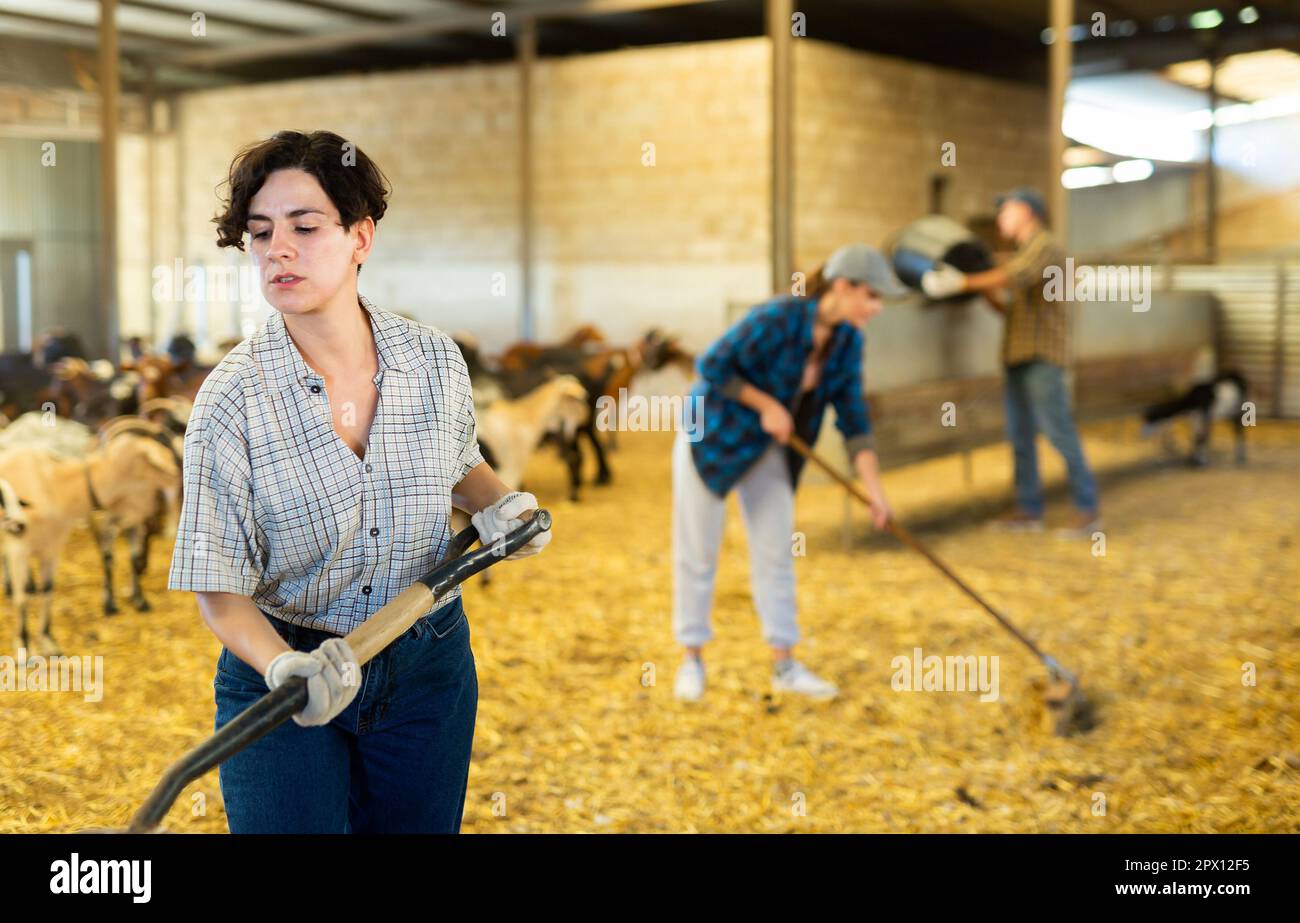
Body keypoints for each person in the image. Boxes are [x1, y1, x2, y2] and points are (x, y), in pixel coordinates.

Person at [166, 130, 550, 833]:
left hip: (427, 665)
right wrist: (284, 667)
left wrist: (501, 507)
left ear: (360, 237)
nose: (278, 248)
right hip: (285, 679)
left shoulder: (434, 360)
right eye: (260, 233)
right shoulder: (230, 401)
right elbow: (218, 587)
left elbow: (456, 461)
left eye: (305, 226)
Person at [672, 244, 904, 702]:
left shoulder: (848, 343)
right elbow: (712, 364)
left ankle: (785, 664)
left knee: (777, 553)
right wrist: (766, 404)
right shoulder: (778, 317)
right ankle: (691, 660)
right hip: (711, 438)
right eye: (872, 297)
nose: (876, 309)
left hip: (767, 449)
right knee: (699, 551)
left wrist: (875, 492)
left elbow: (854, 419)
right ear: (843, 287)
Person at [921, 188, 1100, 536]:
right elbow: (1010, 308)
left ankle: (1087, 508)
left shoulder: (1045, 247)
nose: (1001, 218)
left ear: (1027, 212)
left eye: (1007, 211)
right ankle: (1028, 510)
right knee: (1020, 435)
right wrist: (979, 288)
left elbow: (1013, 276)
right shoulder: (1024, 255)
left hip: (1042, 358)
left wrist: (962, 281)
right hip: (1019, 356)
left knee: (1057, 430)